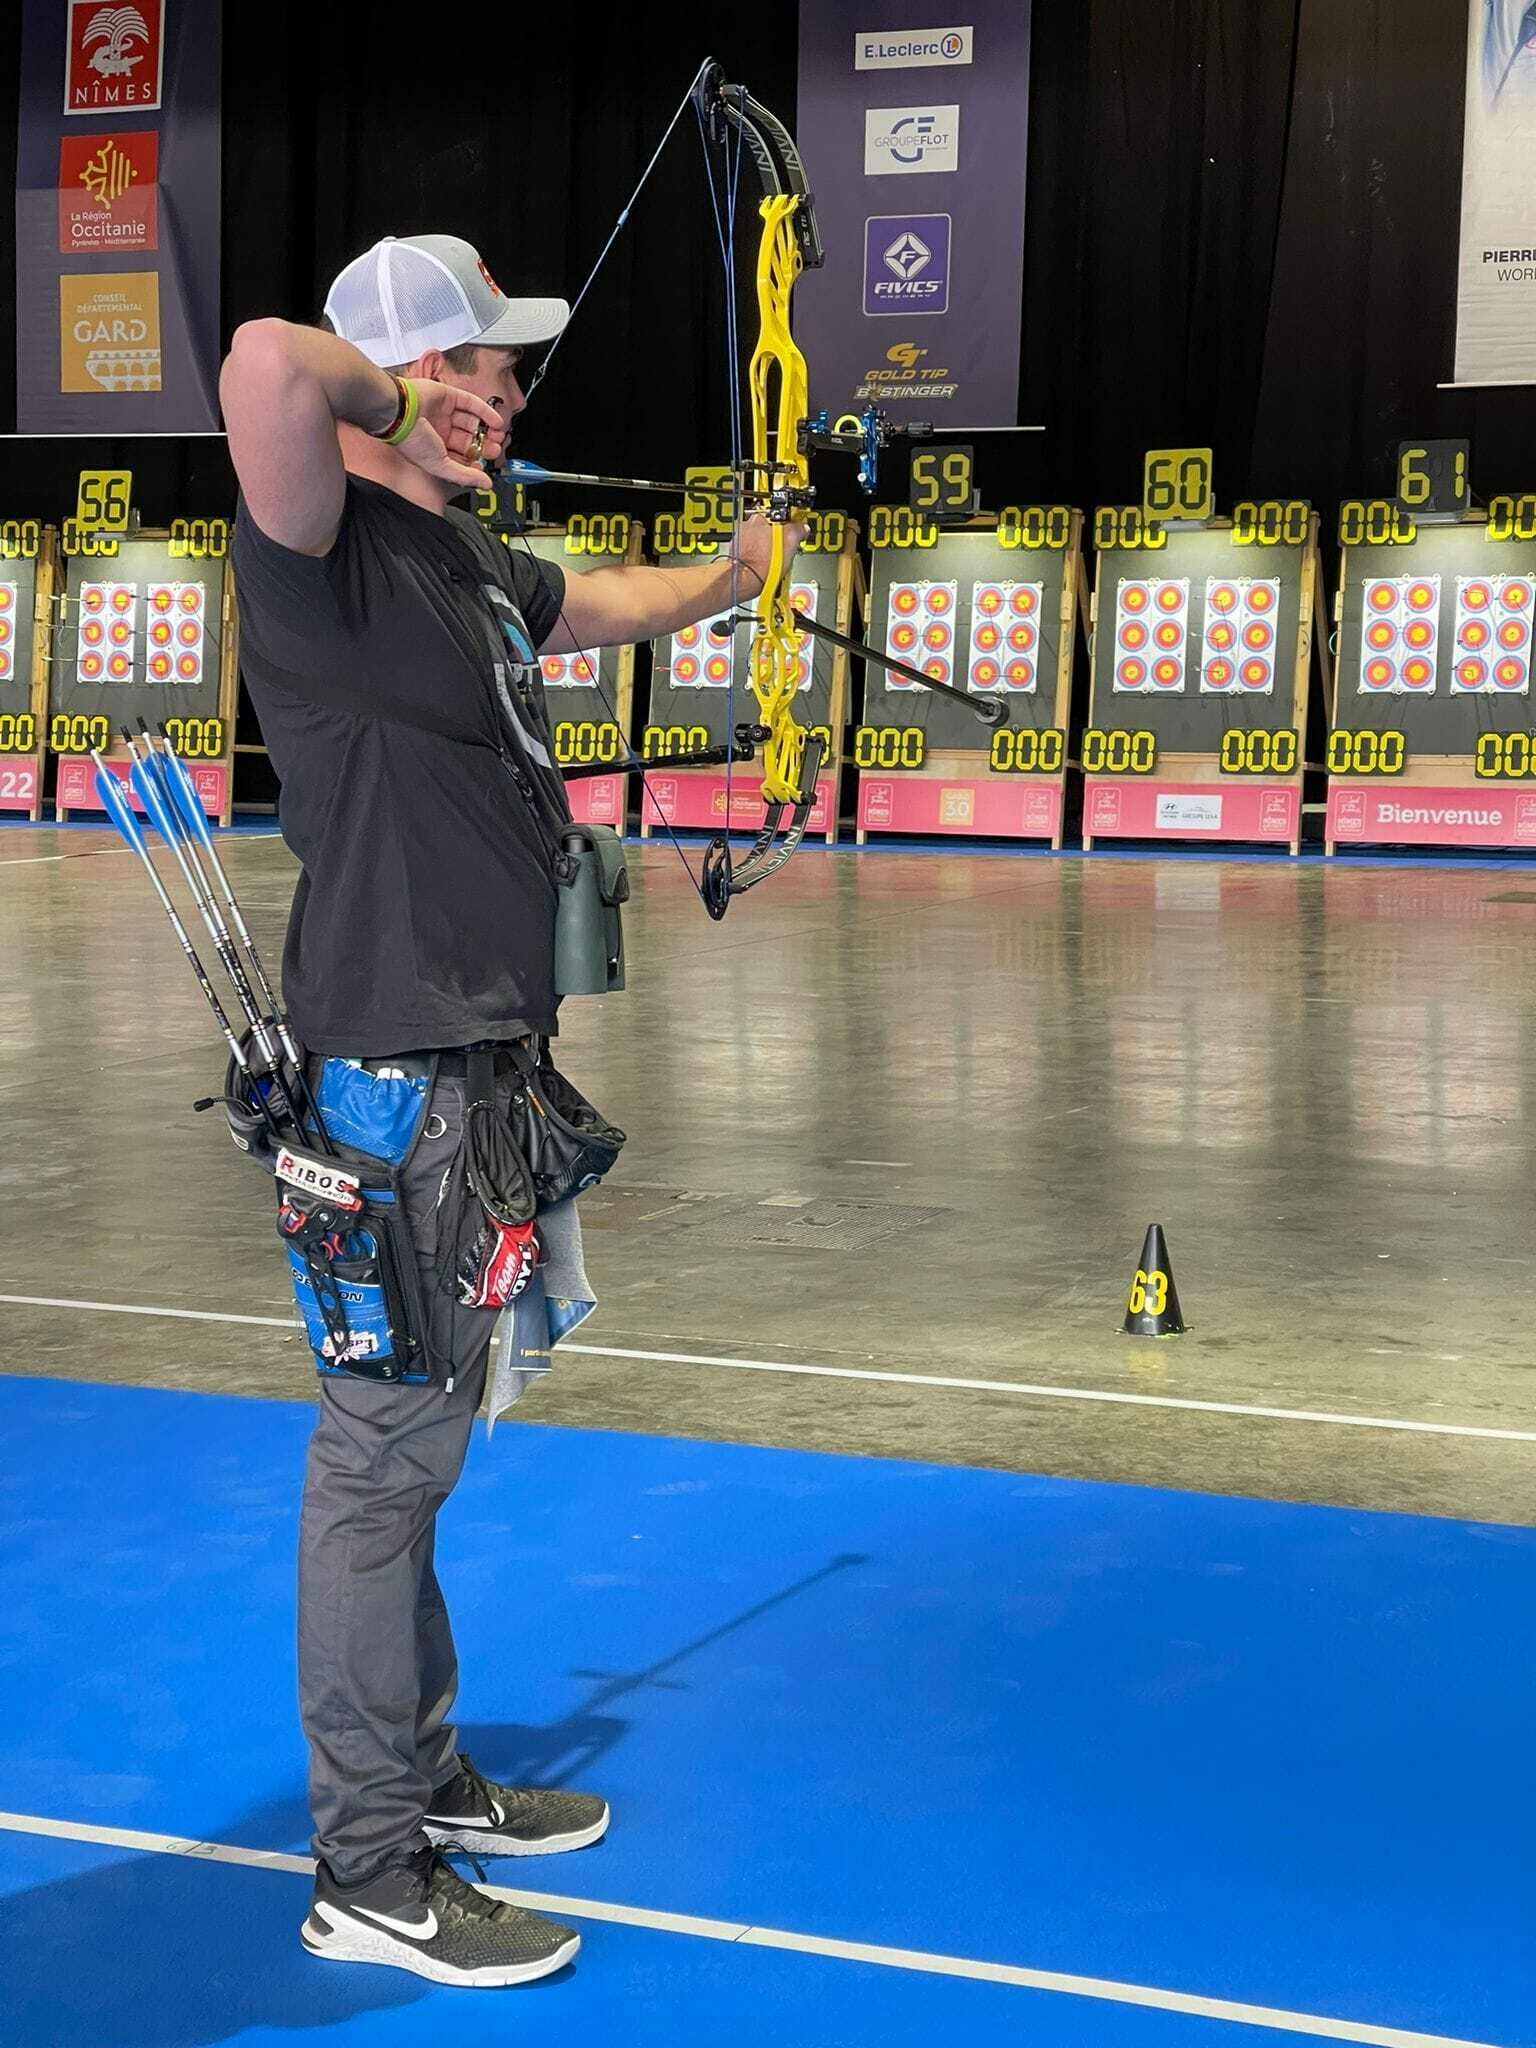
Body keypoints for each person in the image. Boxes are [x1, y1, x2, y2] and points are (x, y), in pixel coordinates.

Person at [222, 232, 797, 1990]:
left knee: (432, 1439)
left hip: (480, 1066)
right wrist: (404, 395)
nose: (512, 394)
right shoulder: (319, 551)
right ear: (413, 369)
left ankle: (427, 1777)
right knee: (382, 1460)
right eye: (487, 363)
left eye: (508, 371)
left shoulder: (461, 557)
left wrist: (734, 575)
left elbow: (599, 606)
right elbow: (259, 364)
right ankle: (368, 1866)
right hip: (390, 1074)